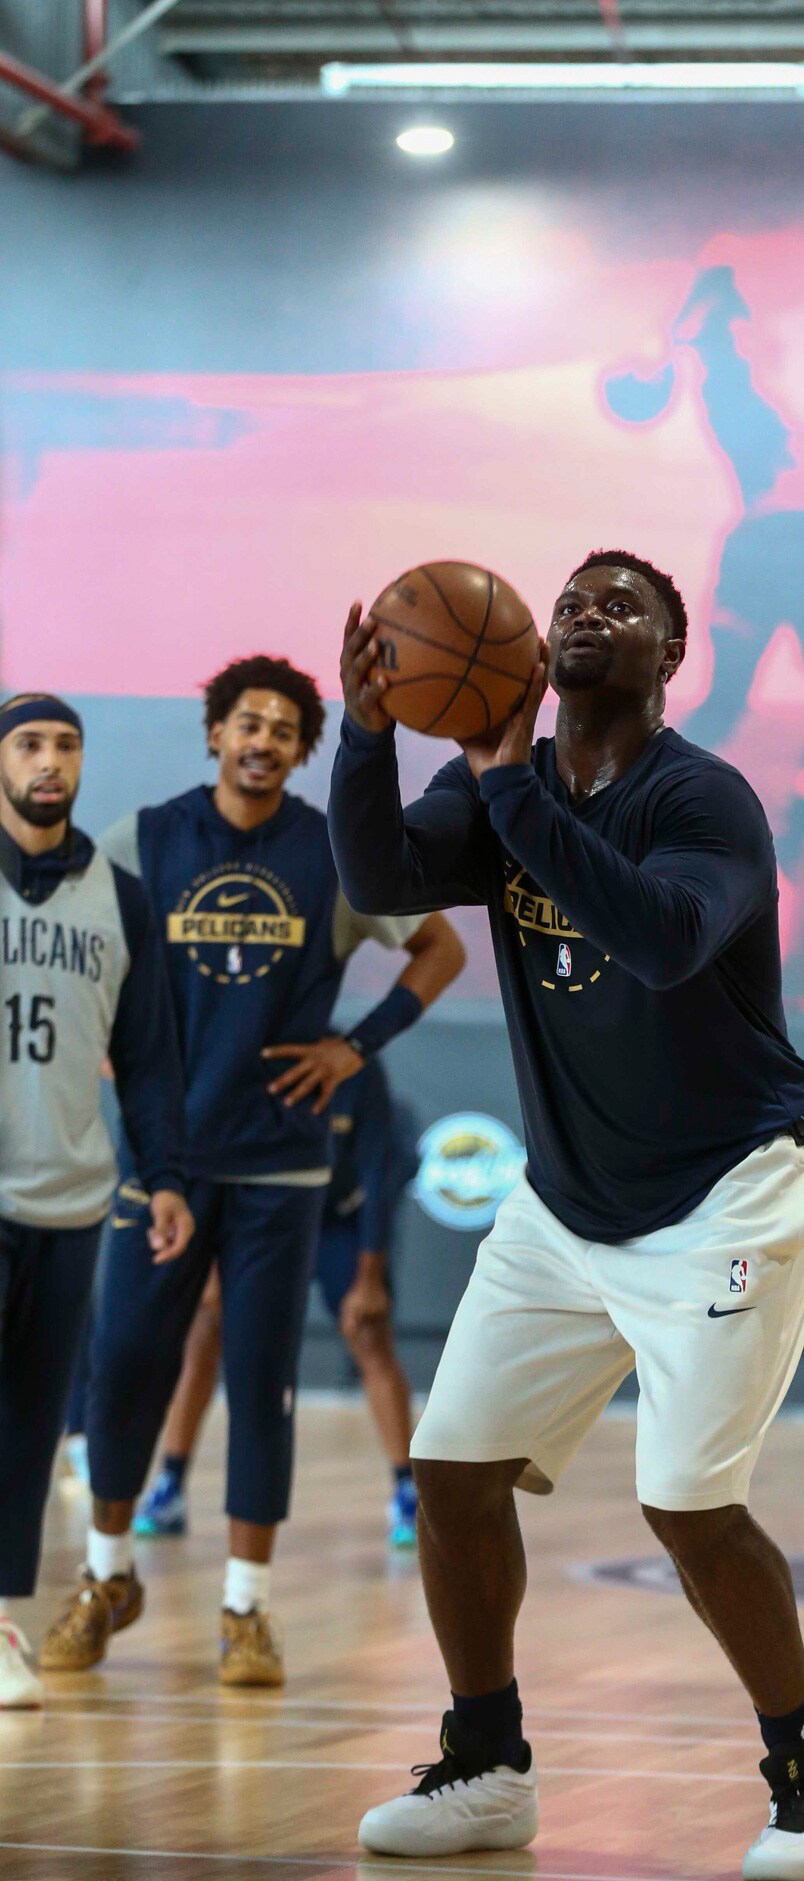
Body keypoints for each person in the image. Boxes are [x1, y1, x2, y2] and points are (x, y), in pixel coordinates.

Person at [328, 552, 804, 1881]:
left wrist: (510, 790)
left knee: (687, 1504)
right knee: (452, 1474)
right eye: (571, 600)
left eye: (623, 607)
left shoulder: (705, 797)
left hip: (731, 1186)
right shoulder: (493, 783)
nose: (585, 616)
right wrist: (366, 731)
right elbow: (388, 878)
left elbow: (665, 937)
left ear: (672, 655)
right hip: (569, 1201)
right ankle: (488, 1762)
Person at [41, 656, 464, 1689]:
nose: (264, 740)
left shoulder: (329, 851)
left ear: (300, 748)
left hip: (280, 1169)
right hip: (165, 1164)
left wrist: (353, 1049)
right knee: (125, 1370)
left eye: (284, 728)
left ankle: (247, 1608)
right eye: (248, 723)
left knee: (260, 1387)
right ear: (215, 733)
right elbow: (86, 945)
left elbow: (439, 951)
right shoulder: (148, 837)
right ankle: (106, 1577)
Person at [0, 694, 193, 1710]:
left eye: (66, 747)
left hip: (70, 1197)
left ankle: (0, 1626)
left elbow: (148, 1062)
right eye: (29, 744)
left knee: (32, 1423)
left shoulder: (120, 899)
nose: (49, 762)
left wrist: (161, 1176)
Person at [606, 265, 804, 871]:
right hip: (795, 547)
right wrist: (682, 329)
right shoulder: (729, 387)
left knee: (730, 704)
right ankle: (786, 831)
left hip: (768, 549)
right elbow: (723, 284)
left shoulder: (735, 389)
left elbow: (723, 296)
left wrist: (675, 336)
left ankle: (637, 806)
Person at [135, 1054, 423, 1548]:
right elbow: (212, 1157)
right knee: (206, 1326)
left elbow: (379, 1172)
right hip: (265, 1216)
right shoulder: (246, 1055)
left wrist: (369, 1275)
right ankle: (170, 1485)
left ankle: (407, 1490)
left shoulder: (354, 1065)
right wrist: (209, 1255)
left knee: (369, 1333)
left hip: (338, 1222)